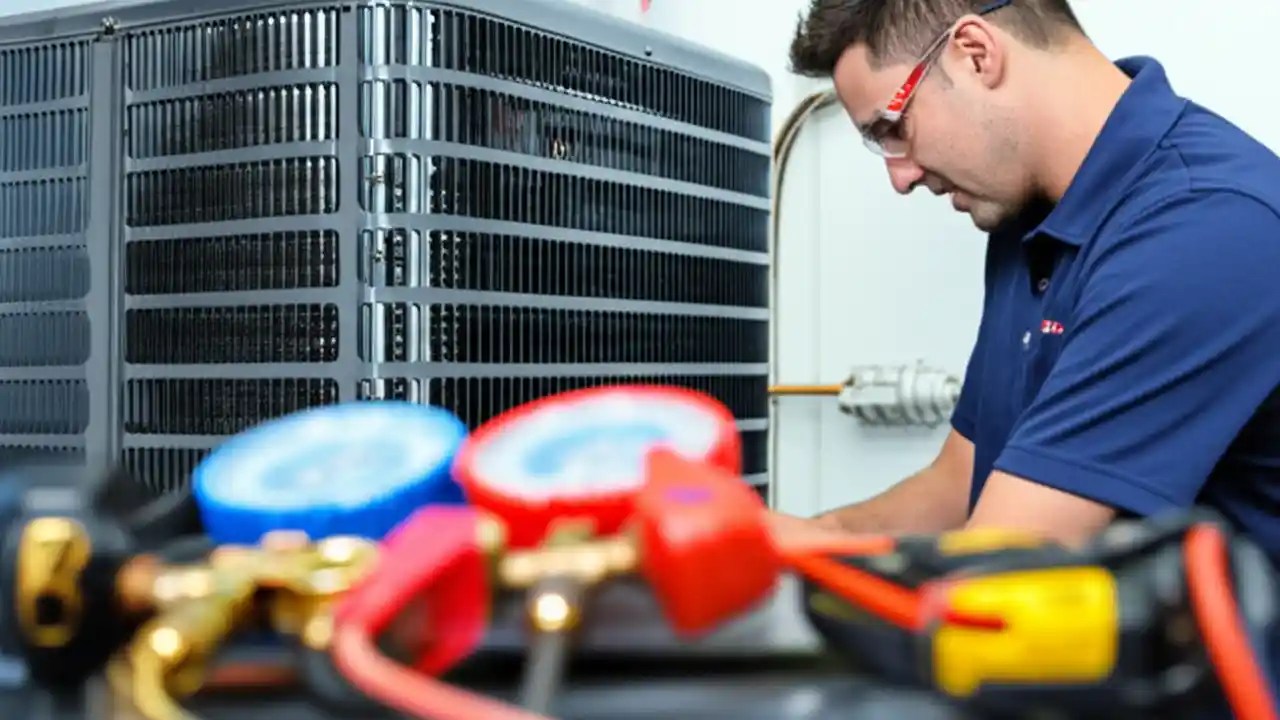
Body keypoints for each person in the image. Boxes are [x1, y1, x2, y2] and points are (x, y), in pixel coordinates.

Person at [769, 0, 1280, 562]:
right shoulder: (1026, 212)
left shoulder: (1205, 229)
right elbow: (962, 484)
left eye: (893, 129)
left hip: (1227, 649)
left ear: (975, 54)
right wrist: (813, 536)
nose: (901, 175)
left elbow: (1001, 564)